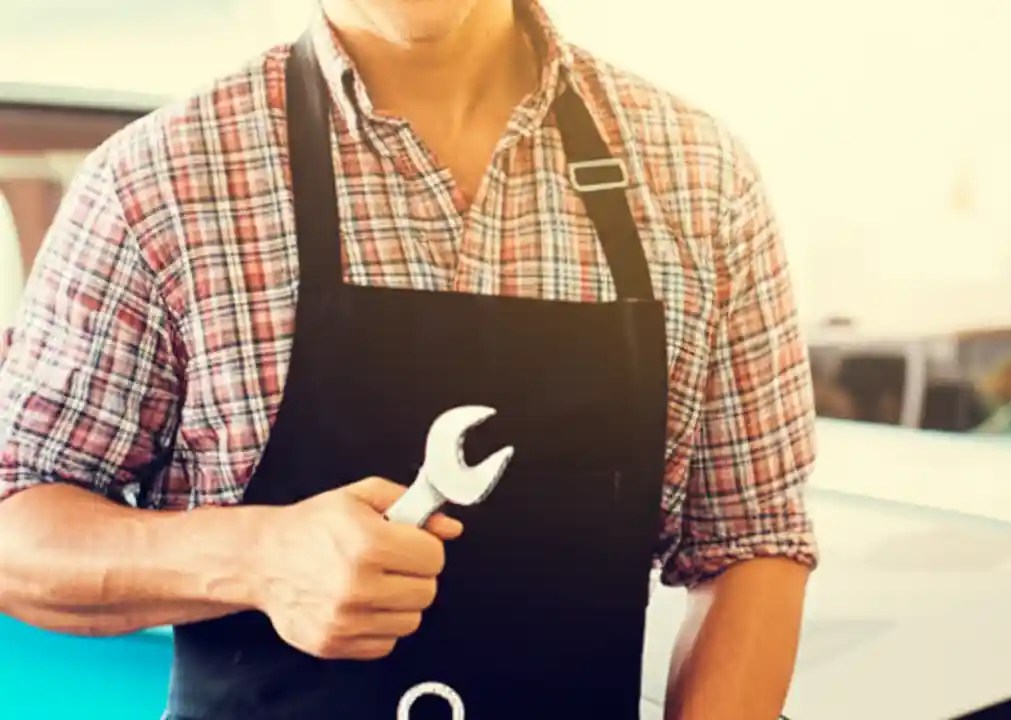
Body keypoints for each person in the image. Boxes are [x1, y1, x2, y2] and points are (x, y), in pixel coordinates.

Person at [0, 1, 818, 718]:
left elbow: (753, 544)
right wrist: (254, 557)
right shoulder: (160, 183)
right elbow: (17, 525)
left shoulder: (701, 181)